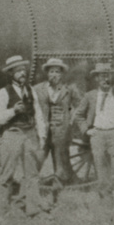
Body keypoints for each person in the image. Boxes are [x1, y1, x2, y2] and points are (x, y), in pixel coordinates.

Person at [73, 61, 114, 207]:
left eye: (108, 75)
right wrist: (86, 130)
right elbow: (79, 115)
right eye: (102, 76)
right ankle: (107, 205)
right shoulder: (90, 96)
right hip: (98, 136)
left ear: (112, 77)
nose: (105, 79)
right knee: (103, 175)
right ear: (96, 78)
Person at [0, 55, 48, 216]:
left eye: (23, 69)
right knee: (6, 174)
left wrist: (41, 136)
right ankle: (1, 210)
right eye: (18, 70)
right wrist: (13, 111)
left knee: (32, 174)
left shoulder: (31, 91)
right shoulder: (4, 92)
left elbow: (38, 115)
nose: (22, 73)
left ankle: (33, 210)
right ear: (11, 74)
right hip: (12, 134)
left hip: (29, 135)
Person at [34, 58, 83, 186]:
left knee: (60, 159)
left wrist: (71, 119)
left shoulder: (69, 89)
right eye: (51, 71)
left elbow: (80, 106)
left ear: (61, 74)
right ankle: (29, 184)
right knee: (37, 158)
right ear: (47, 73)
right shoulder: (38, 89)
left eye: (57, 71)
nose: (54, 75)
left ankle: (59, 186)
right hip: (43, 131)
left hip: (62, 131)